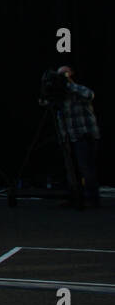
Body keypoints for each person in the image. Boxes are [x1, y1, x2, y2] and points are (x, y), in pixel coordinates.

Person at [57, 65, 100, 208]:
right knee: (71, 169)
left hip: (85, 134)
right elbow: (44, 102)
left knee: (86, 168)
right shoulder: (61, 95)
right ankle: (75, 197)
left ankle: (91, 199)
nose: (62, 77)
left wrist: (68, 84)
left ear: (71, 74)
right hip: (69, 136)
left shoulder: (78, 90)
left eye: (64, 73)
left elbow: (90, 94)